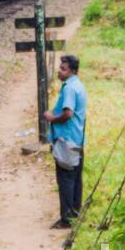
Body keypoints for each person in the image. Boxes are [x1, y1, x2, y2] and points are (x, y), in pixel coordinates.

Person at [43, 54, 87, 229]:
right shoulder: (79, 85)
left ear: (73, 71)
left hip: (66, 140)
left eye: (63, 69)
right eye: (60, 67)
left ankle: (67, 219)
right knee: (76, 178)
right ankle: (75, 214)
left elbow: (68, 114)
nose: (59, 71)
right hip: (77, 138)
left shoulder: (69, 88)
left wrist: (52, 118)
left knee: (66, 179)